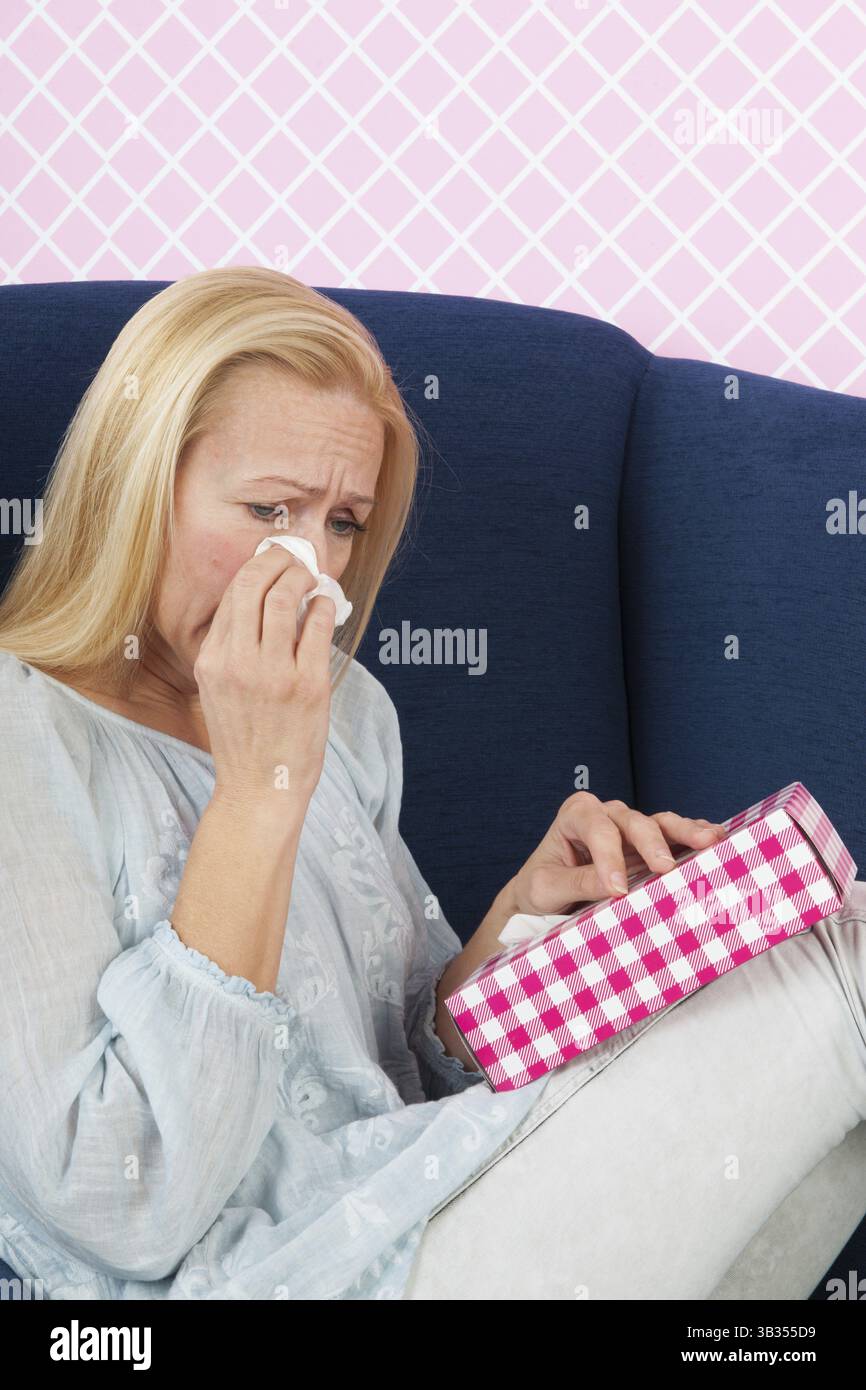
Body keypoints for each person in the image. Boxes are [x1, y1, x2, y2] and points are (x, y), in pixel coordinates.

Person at [0, 267, 860, 1302]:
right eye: (269, 507)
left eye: (343, 522)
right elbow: (122, 1210)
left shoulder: (344, 708)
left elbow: (401, 1068)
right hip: (260, 1281)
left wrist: (521, 923)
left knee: (794, 919)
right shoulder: (24, 730)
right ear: (137, 487)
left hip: (416, 1202)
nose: (311, 568)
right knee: (843, 965)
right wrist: (259, 795)